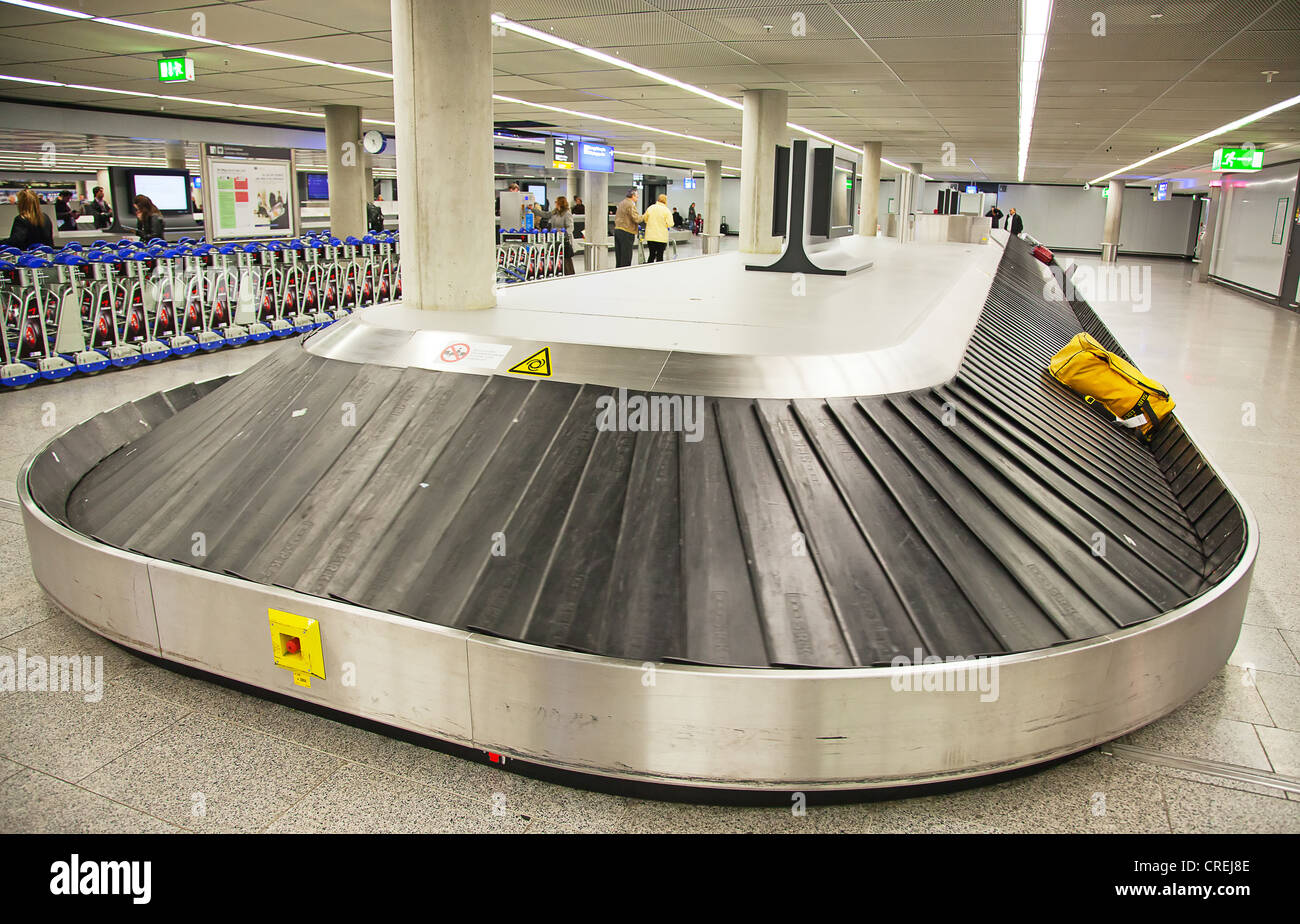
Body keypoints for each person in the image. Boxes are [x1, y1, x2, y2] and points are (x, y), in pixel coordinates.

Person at [613, 188, 641, 268]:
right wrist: (645, 217)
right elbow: (636, 218)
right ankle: (624, 274)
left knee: (619, 255)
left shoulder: (621, 203)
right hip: (626, 231)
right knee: (626, 256)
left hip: (618, 230)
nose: (637, 198)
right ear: (633, 196)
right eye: (637, 197)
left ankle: (618, 272)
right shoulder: (630, 204)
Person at [549, 195, 576, 276]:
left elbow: (570, 227)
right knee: (556, 257)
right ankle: (558, 273)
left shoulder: (567, 213)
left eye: (556, 202)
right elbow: (545, 214)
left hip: (564, 240)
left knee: (566, 259)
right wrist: (532, 209)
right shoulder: (555, 212)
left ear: (560, 203)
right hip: (555, 239)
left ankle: (569, 275)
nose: (555, 203)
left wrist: (564, 234)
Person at [643, 193, 673, 263]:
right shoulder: (666, 210)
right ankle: (659, 271)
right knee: (660, 255)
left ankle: (649, 269)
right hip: (661, 237)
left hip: (650, 236)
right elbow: (670, 223)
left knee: (651, 254)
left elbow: (645, 219)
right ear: (665, 201)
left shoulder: (650, 208)